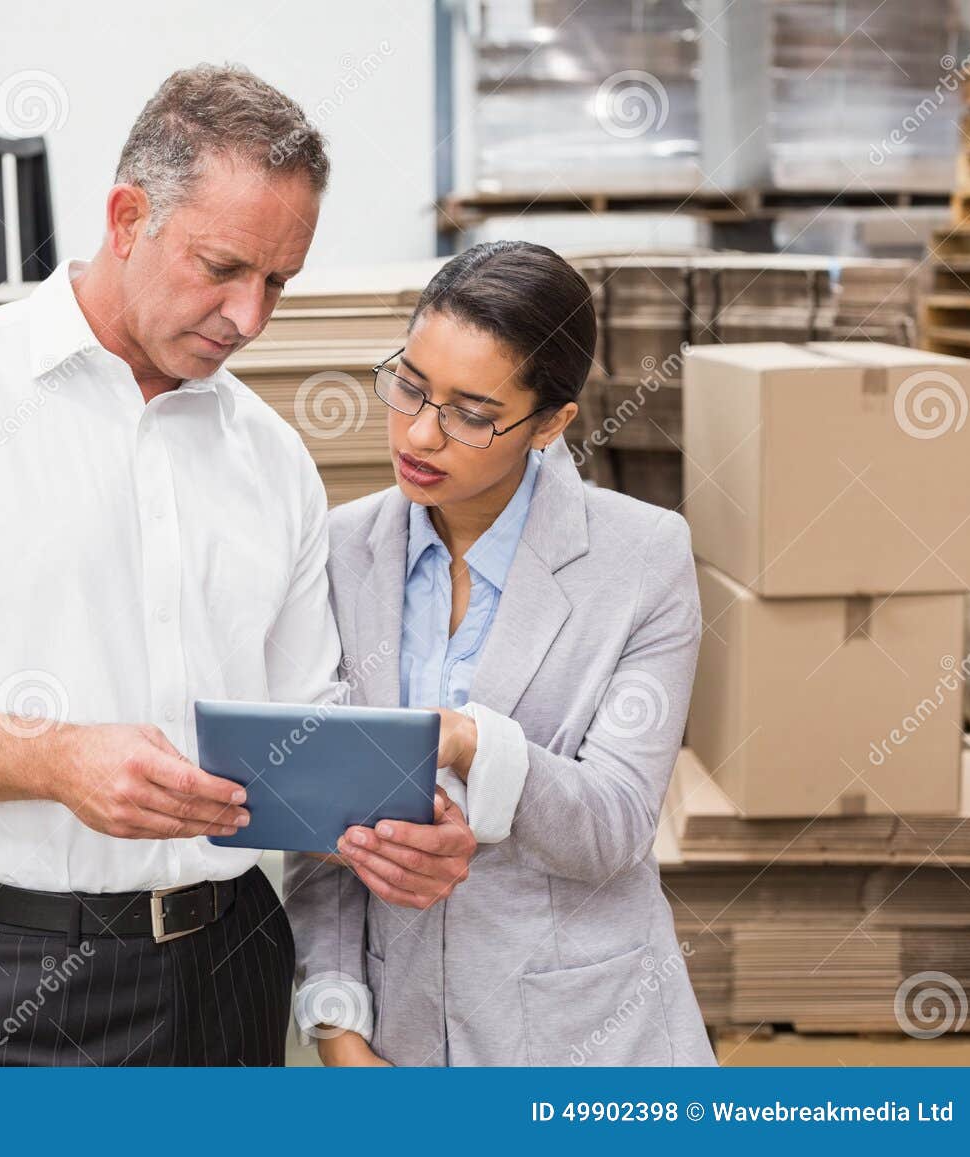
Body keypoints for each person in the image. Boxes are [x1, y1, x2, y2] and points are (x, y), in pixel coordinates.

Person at [0, 64, 476, 1067]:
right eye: (222, 266)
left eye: (278, 281)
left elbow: (306, 712)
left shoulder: (270, 459)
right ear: (126, 215)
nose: (249, 317)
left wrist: (393, 820)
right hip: (13, 973)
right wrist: (52, 760)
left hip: (233, 958)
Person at [285, 241, 716, 1067]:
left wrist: (473, 740)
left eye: (472, 413)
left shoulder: (641, 558)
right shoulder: (342, 553)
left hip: (589, 1040)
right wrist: (337, 1024)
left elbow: (616, 827)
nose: (420, 432)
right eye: (410, 384)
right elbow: (321, 833)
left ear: (552, 421)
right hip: (403, 1041)